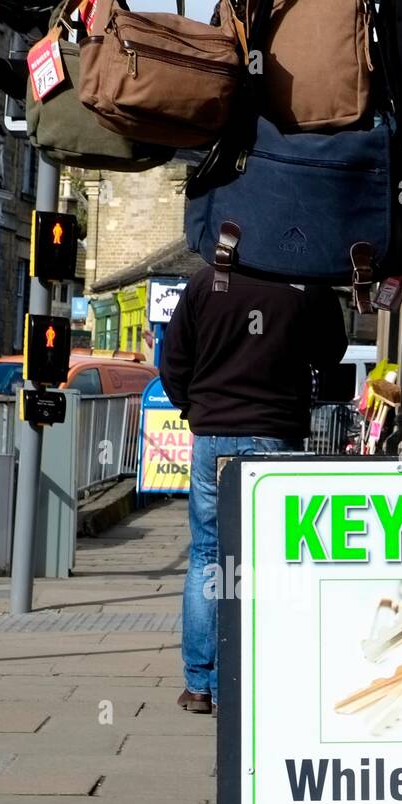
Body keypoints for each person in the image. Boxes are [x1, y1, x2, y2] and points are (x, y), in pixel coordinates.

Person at [160, 264, 347, 715]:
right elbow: (331, 353)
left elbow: (174, 360)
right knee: (264, 561)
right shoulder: (307, 282)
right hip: (274, 436)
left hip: (212, 437)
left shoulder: (208, 281)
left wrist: (198, 408)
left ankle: (201, 685)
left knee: (208, 553)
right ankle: (242, 684)